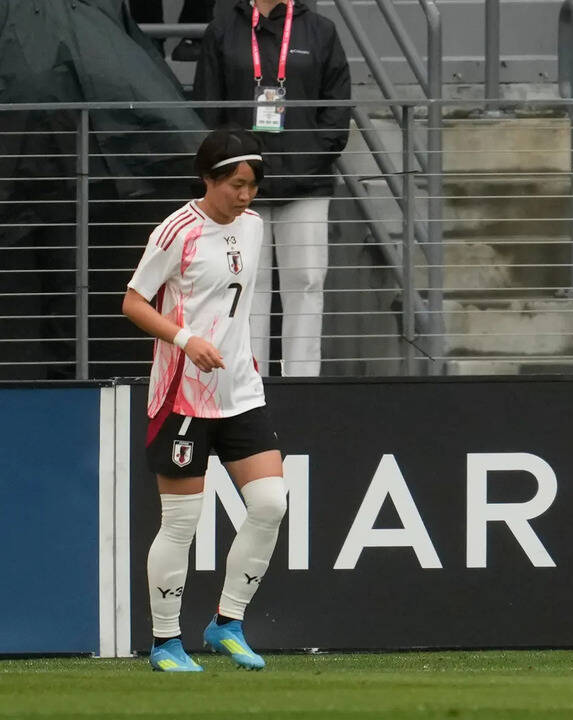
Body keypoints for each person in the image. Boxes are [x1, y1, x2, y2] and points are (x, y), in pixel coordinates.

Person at [123, 128, 287, 672]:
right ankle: (166, 642)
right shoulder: (176, 231)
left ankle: (227, 624)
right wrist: (185, 339)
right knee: (181, 523)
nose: (245, 196)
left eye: (253, 186)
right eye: (236, 184)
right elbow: (133, 302)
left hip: (240, 389)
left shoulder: (256, 227)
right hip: (183, 395)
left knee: (270, 504)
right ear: (208, 179)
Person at [194, 0, 352, 376]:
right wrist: (229, 173)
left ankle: (302, 383)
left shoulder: (320, 30)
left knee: (307, 281)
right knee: (248, 283)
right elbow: (206, 109)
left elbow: (336, 108)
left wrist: (309, 162)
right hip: (242, 187)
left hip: (305, 183)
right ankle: (251, 382)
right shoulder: (221, 29)